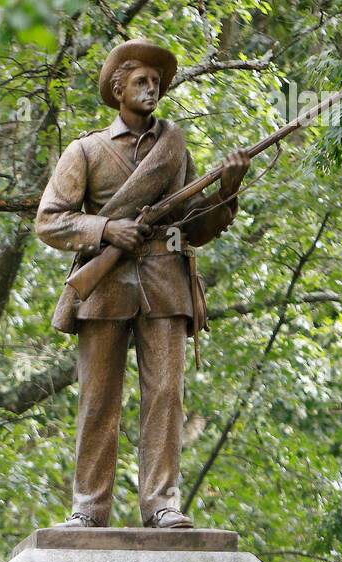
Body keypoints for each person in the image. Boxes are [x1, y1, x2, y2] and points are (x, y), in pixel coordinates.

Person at [35, 38, 250, 529]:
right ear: (118, 88)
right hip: (106, 284)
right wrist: (107, 230)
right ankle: (88, 508)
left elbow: (196, 226)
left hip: (164, 283)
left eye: (157, 82)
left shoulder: (175, 147)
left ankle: (162, 504)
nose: (151, 89)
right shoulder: (85, 150)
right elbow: (49, 221)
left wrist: (228, 190)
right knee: (98, 401)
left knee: (165, 398)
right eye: (141, 81)